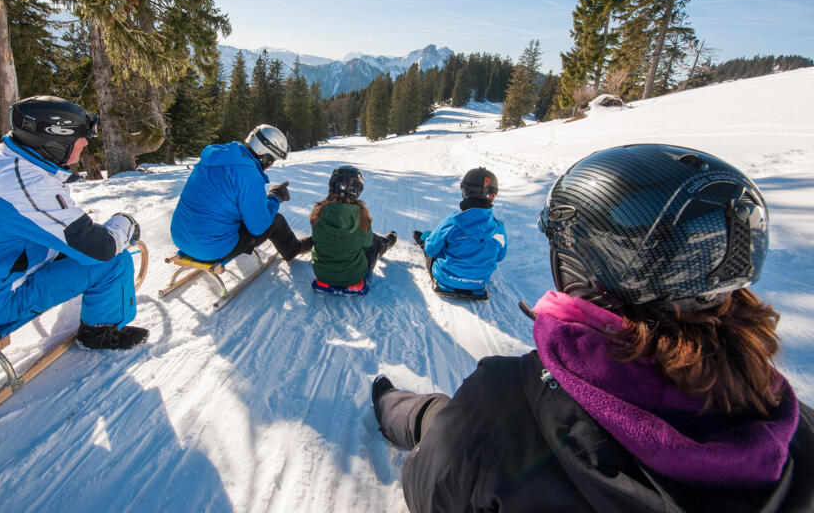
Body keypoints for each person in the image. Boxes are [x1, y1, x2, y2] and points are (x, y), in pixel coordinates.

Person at [373, 144, 814, 512]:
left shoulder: (501, 401)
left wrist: (458, 427)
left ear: (579, 271)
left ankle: (397, 405)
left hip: (454, 302)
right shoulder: (795, 425)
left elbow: (427, 489)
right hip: (480, 301)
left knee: (447, 421)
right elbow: (501, 251)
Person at [0, 96, 148, 350]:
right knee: (112, 260)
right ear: (56, 141)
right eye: (79, 140)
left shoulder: (8, 163)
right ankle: (99, 334)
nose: (84, 146)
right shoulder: (28, 185)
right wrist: (125, 223)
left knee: (81, 245)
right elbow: (101, 248)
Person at [170, 124, 311, 263]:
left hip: (180, 237)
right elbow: (259, 227)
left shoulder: (217, 157)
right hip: (210, 249)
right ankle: (293, 249)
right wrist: (275, 197)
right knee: (276, 221)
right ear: (265, 157)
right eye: (273, 160)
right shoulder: (249, 175)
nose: (271, 164)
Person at [413, 167, 506, 294]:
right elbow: (500, 256)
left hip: (446, 279)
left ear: (465, 192)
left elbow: (431, 250)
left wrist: (426, 239)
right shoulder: (498, 227)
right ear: (493, 196)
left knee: (430, 243)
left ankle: (423, 237)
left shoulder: (453, 222)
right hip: (480, 282)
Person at [309, 166, 396, 288]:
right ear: (357, 190)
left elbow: (316, 237)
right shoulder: (361, 217)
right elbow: (367, 243)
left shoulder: (318, 213)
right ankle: (386, 242)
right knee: (374, 242)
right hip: (353, 277)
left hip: (321, 273)